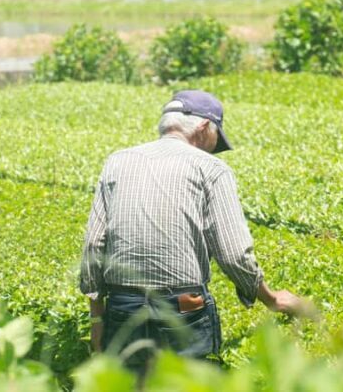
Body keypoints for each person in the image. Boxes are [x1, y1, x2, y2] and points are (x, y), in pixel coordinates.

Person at [79, 89, 309, 377]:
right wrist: (271, 298)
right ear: (203, 128)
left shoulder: (117, 161)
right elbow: (234, 254)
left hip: (123, 308)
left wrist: (97, 321)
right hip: (182, 310)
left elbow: (93, 244)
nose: (214, 148)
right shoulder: (211, 168)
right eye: (216, 138)